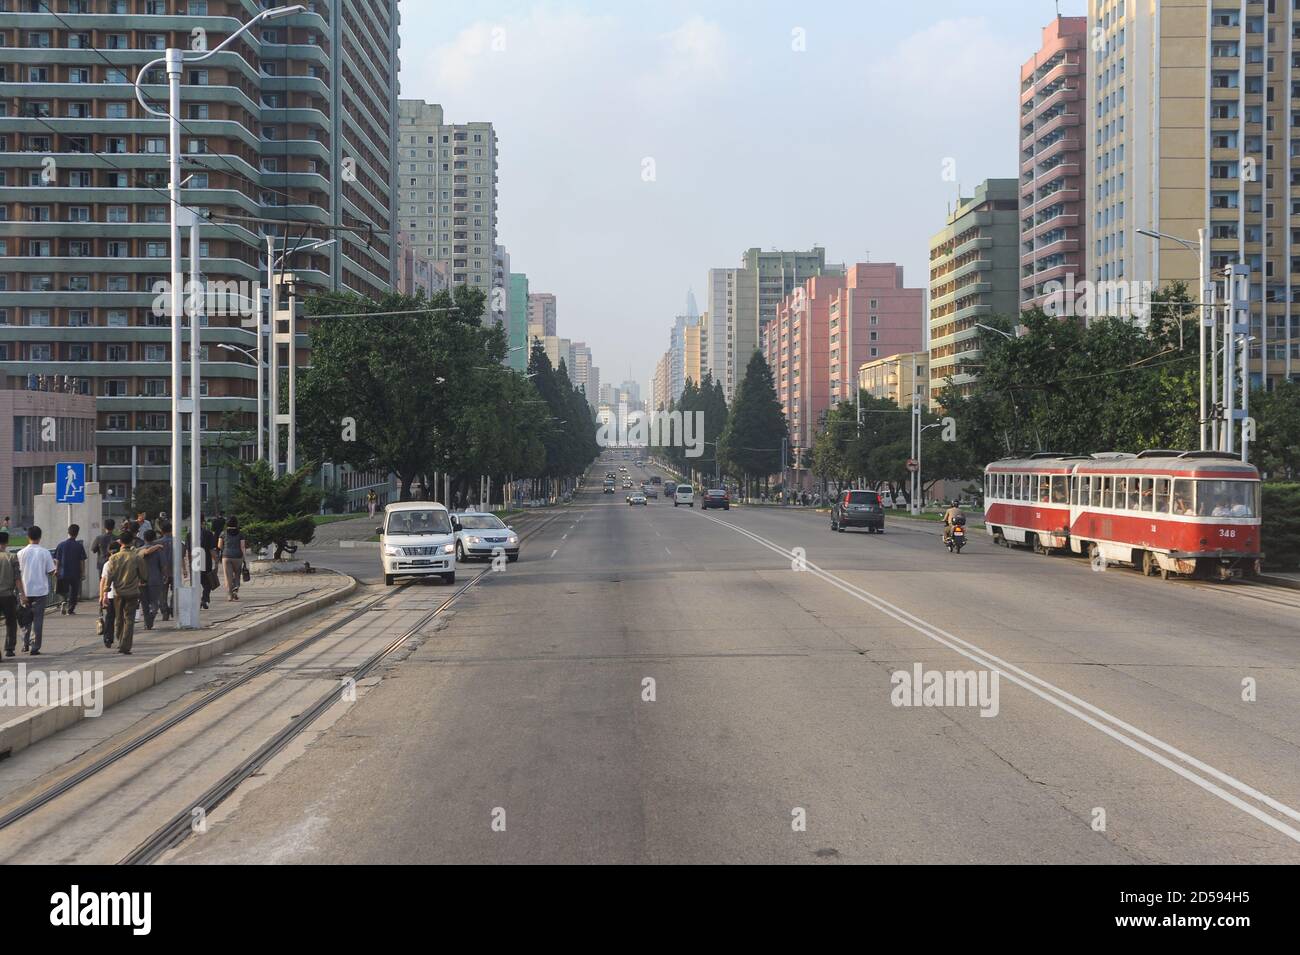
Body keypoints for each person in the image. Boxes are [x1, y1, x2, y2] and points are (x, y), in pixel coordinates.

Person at [105, 530, 147, 654]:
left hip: (118, 592)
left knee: (119, 619)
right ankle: (125, 646)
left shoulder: (113, 558)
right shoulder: (136, 557)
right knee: (129, 618)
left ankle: (119, 640)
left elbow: (110, 576)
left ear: (120, 542)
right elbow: (144, 576)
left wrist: (106, 588)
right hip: (133, 592)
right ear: (132, 541)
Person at [17, 525, 55, 655]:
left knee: (24, 619)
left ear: (28, 537)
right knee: (37, 620)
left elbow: (17, 573)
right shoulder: (45, 552)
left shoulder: (20, 553)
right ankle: (35, 647)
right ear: (40, 537)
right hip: (40, 591)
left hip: (25, 591)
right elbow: (51, 571)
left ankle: (24, 643)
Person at [53, 523, 88, 616]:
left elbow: (57, 559)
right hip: (75, 573)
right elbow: (82, 561)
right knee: (74, 591)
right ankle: (70, 609)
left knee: (62, 589)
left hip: (63, 572)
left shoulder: (61, 545)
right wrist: (83, 572)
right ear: (77, 533)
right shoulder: (79, 546)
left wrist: (56, 569)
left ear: (68, 532)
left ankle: (63, 601)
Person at [0, 532, 23, 658]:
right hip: (8, 595)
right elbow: (17, 579)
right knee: (10, 622)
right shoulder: (12, 557)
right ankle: (9, 648)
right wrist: (22, 594)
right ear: (7, 542)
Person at [139, 529, 167, 630]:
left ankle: (147, 623)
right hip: (155, 579)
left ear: (144, 538)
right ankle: (150, 619)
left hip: (141, 581)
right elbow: (163, 566)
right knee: (155, 603)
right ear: (155, 538)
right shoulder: (159, 551)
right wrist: (165, 576)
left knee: (144, 603)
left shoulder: (139, 550)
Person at [97, 539, 122, 648]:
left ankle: (108, 638)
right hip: (122, 594)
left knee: (110, 618)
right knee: (122, 618)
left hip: (110, 595)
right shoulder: (124, 561)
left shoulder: (107, 564)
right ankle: (121, 638)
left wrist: (102, 596)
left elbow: (103, 580)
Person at [217, 517, 245, 601]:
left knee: (228, 576)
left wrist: (224, 549)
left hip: (226, 556)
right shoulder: (240, 534)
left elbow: (219, 545)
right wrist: (244, 558)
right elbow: (242, 546)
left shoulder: (223, 533)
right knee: (237, 574)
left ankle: (229, 595)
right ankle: (235, 590)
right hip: (238, 556)